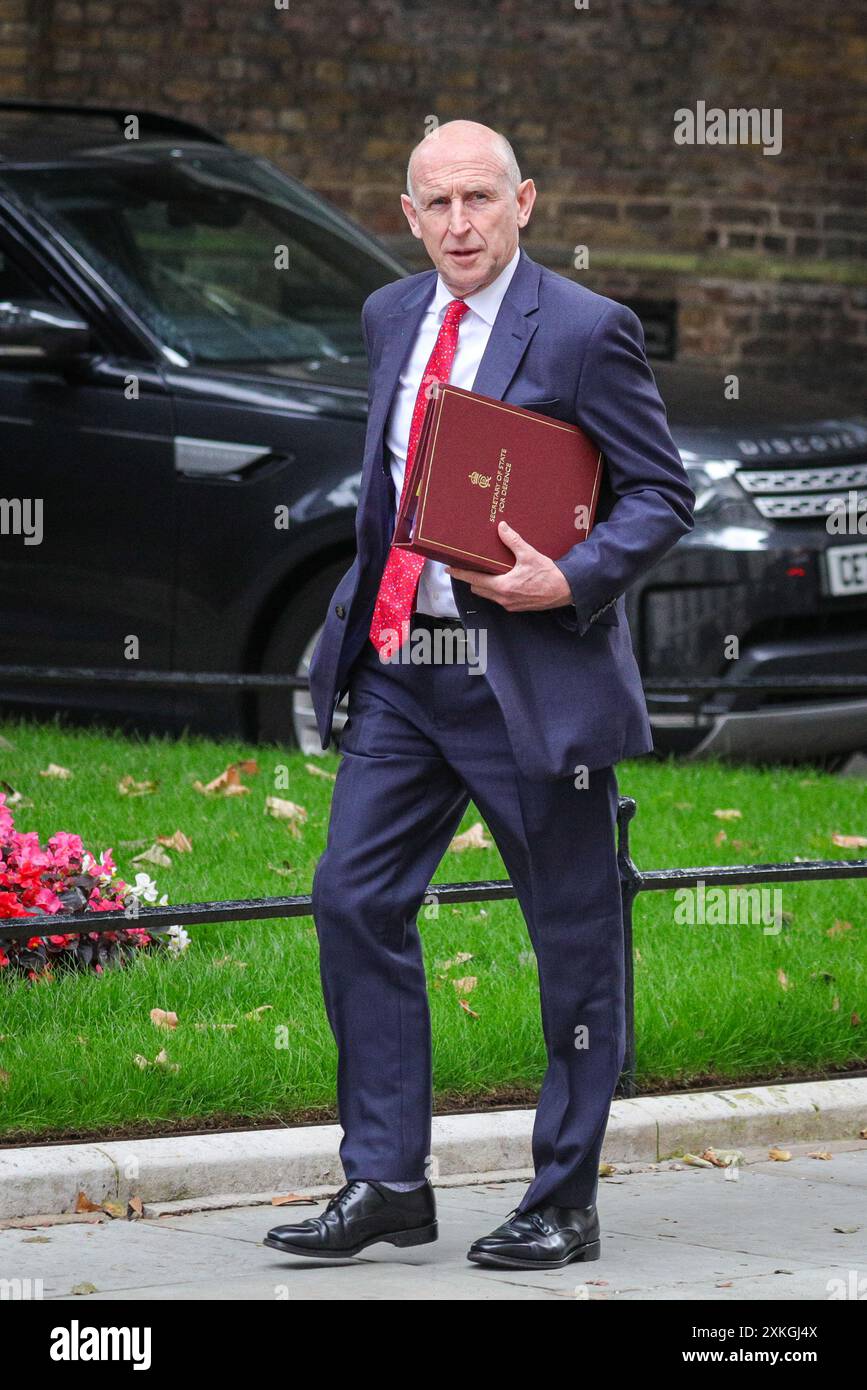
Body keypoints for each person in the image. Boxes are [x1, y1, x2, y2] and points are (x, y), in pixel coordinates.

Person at [265, 119, 695, 1270]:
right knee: (353, 898)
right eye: (438, 204)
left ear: (525, 203)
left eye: (481, 199)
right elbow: (388, 488)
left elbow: (662, 492)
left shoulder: (589, 330)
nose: (461, 224)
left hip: (530, 679)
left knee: (575, 937)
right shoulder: (390, 315)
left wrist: (574, 577)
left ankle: (564, 1200)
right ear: (409, 218)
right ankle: (387, 1180)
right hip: (404, 674)